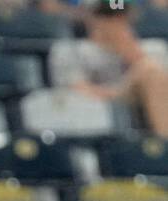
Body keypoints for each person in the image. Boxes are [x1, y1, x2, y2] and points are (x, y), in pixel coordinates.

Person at [49, 0, 168, 138]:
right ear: (90, 17)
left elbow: (162, 88)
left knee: (149, 69)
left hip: (139, 106)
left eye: (120, 15)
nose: (114, 22)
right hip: (95, 114)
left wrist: (133, 54)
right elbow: (76, 92)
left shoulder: (153, 47)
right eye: (106, 15)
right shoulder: (68, 50)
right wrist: (117, 91)